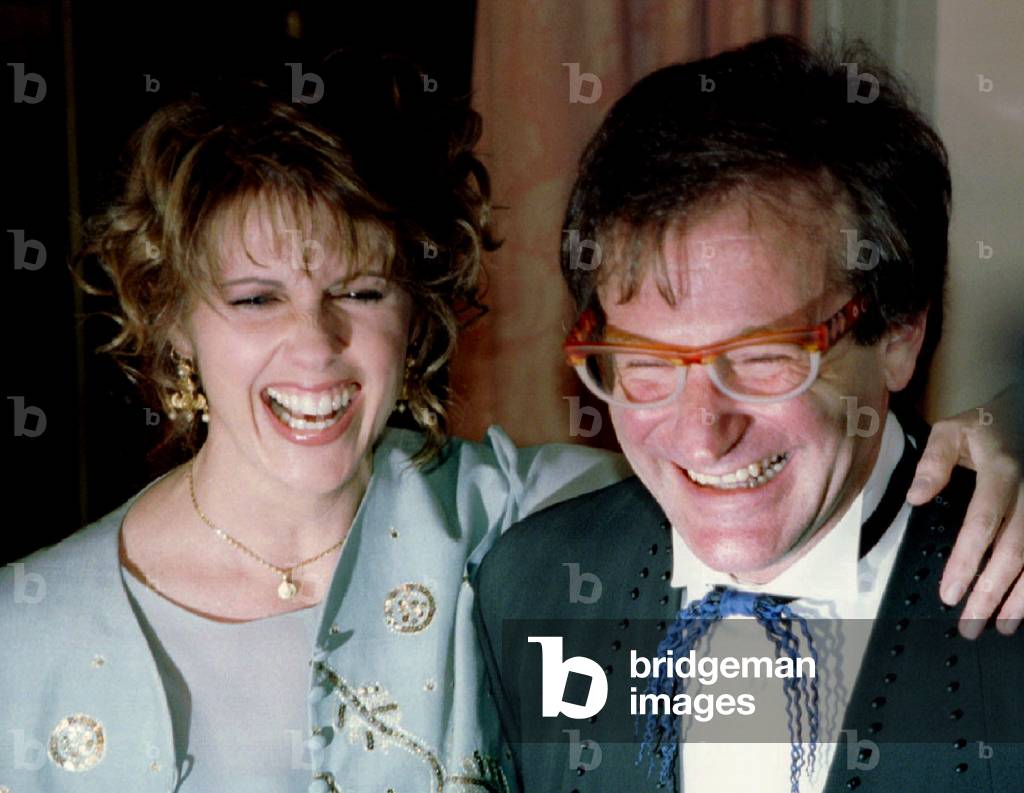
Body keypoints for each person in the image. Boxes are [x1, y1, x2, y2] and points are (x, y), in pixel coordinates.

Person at [0, 47, 1017, 793]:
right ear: (171, 318)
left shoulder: (505, 521)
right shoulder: (542, 570)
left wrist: (1002, 426)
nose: (701, 433)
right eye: (256, 298)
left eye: (360, 290)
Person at [473, 36, 1024, 793]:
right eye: (646, 361)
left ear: (899, 334)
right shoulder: (530, 589)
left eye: (766, 357)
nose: (703, 433)